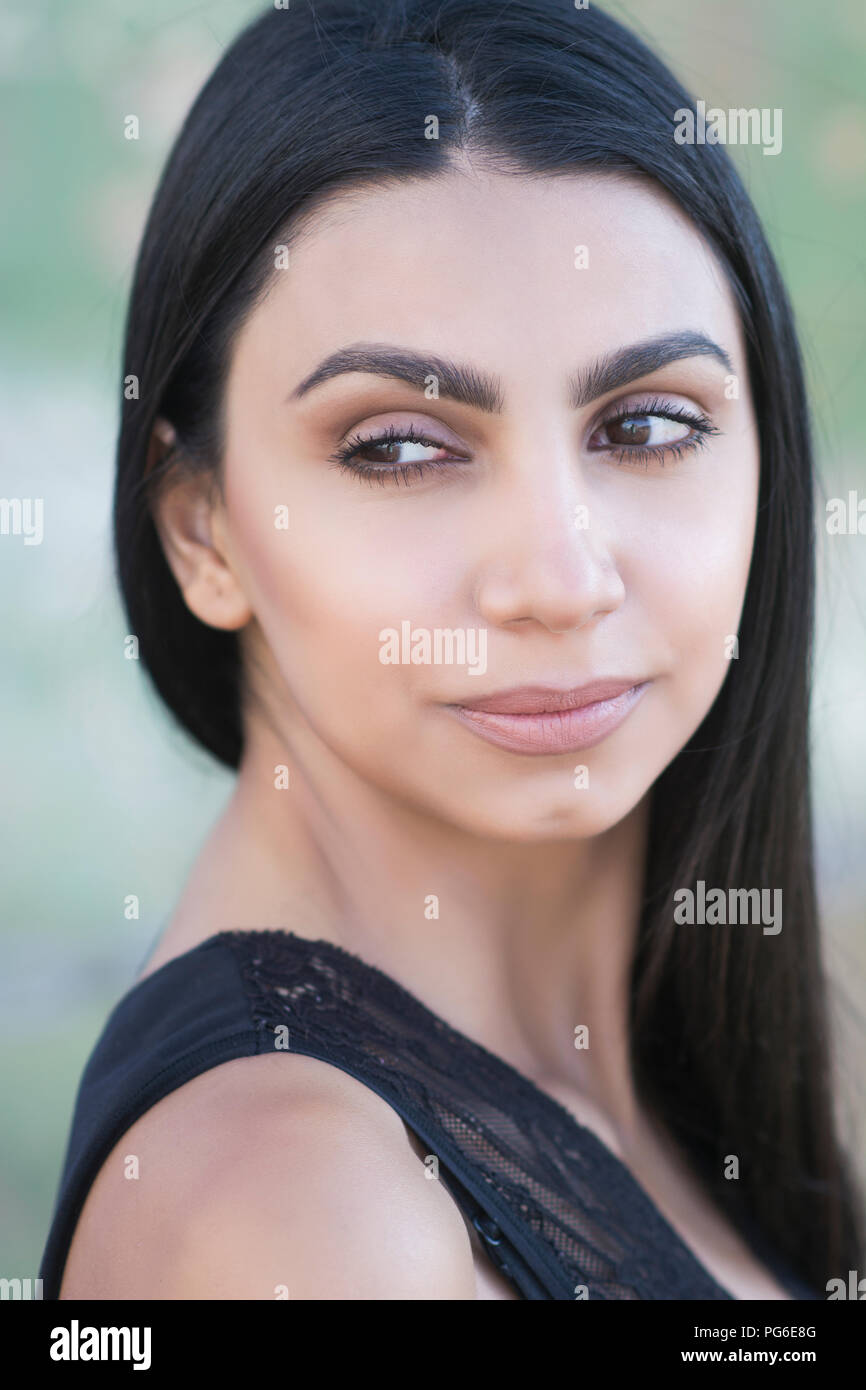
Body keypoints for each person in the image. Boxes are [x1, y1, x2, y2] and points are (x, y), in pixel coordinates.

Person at [40, 0, 863, 1300]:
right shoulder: (294, 1211)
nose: (558, 578)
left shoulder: (668, 1068)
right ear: (202, 528)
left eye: (646, 425)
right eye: (400, 446)